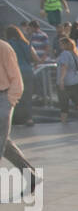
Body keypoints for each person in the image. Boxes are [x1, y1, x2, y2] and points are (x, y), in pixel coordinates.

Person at [0, 37, 37, 188]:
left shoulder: (4, 47)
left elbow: (16, 77)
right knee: (5, 142)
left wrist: (9, 100)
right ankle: (30, 174)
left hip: (3, 97)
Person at [5, 26, 36, 126]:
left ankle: (16, 119)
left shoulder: (8, 44)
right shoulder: (26, 43)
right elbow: (34, 57)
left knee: (14, 96)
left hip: (16, 72)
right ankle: (29, 119)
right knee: (27, 96)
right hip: (28, 71)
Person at [55, 36, 78, 123]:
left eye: (61, 44)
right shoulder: (76, 53)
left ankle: (63, 121)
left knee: (64, 103)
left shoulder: (65, 54)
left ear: (65, 45)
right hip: (76, 81)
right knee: (77, 100)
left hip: (67, 82)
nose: (59, 46)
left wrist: (61, 80)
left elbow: (64, 67)